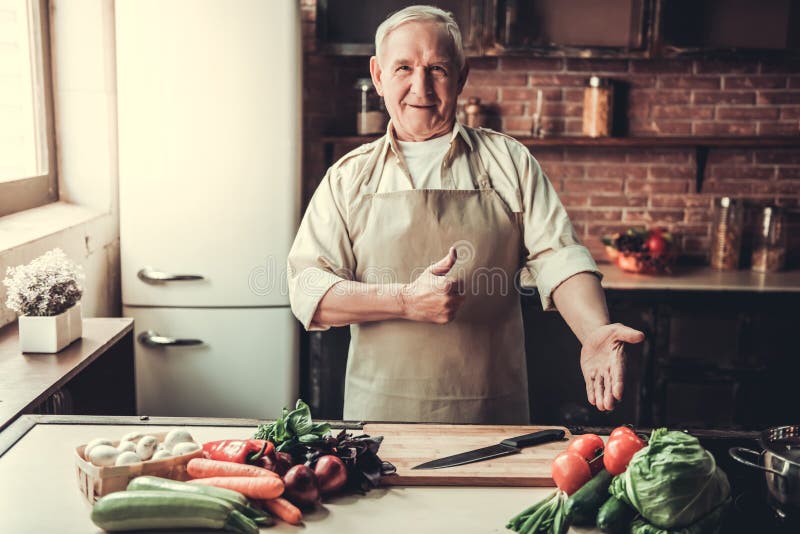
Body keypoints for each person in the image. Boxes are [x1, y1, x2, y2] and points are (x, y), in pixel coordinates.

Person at [287, 5, 644, 424]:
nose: (420, 87)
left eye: (436, 68)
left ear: (461, 76)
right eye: (403, 68)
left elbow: (559, 257)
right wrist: (404, 301)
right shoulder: (348, 177)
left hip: (492, 417)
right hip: (382, 417)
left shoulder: (509, 161)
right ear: (379, 76)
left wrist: (594, 331)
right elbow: (309, 289)